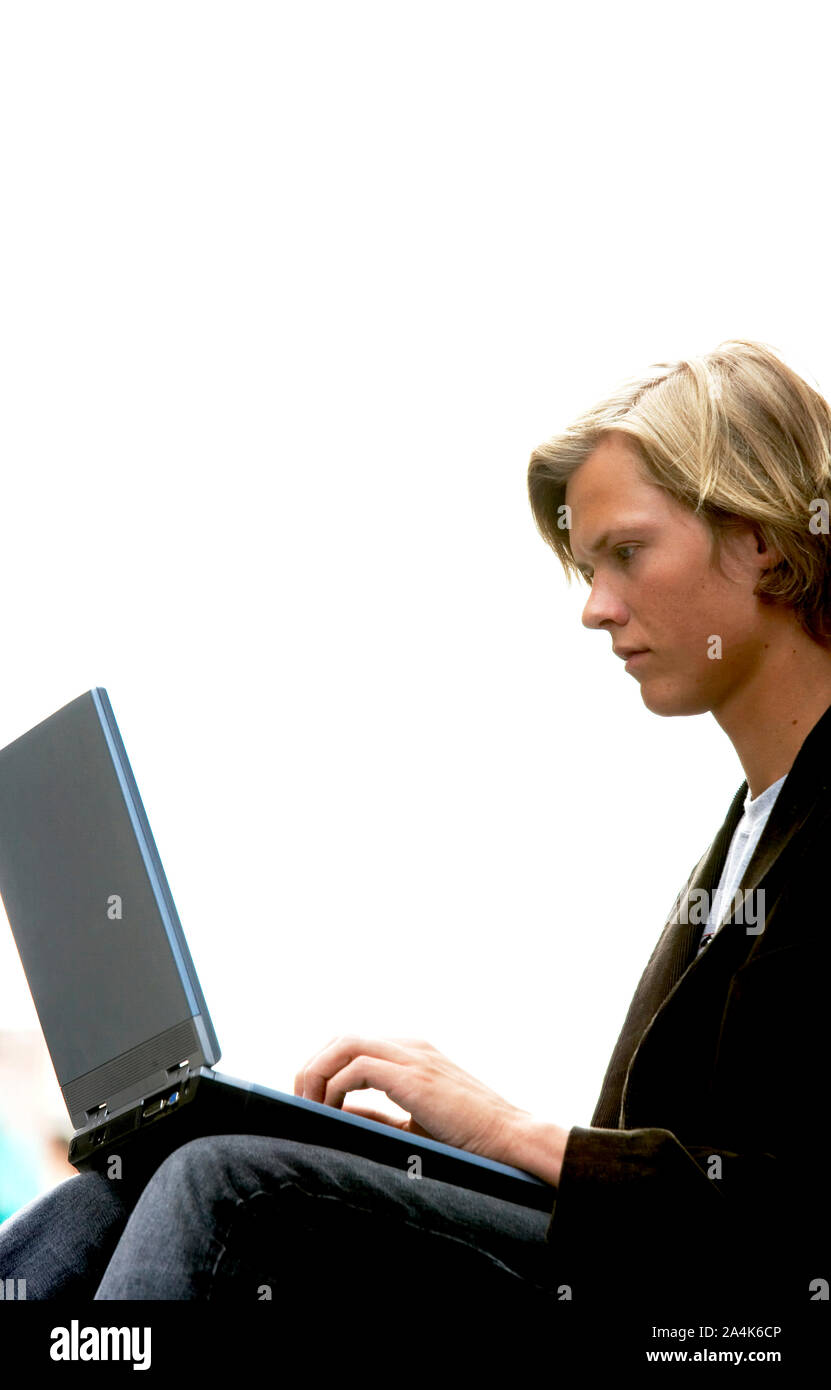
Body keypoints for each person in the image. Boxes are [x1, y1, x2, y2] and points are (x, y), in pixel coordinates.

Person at [0, 338, 827, 1315]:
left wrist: (512, 1130)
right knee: (130, 1178)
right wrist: (445, 1145)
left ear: (761, 539)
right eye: (587, 564)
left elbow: (788, 1211)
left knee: (230, 1187)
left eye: (627, 553)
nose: (596, 608)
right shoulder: (744, 838)